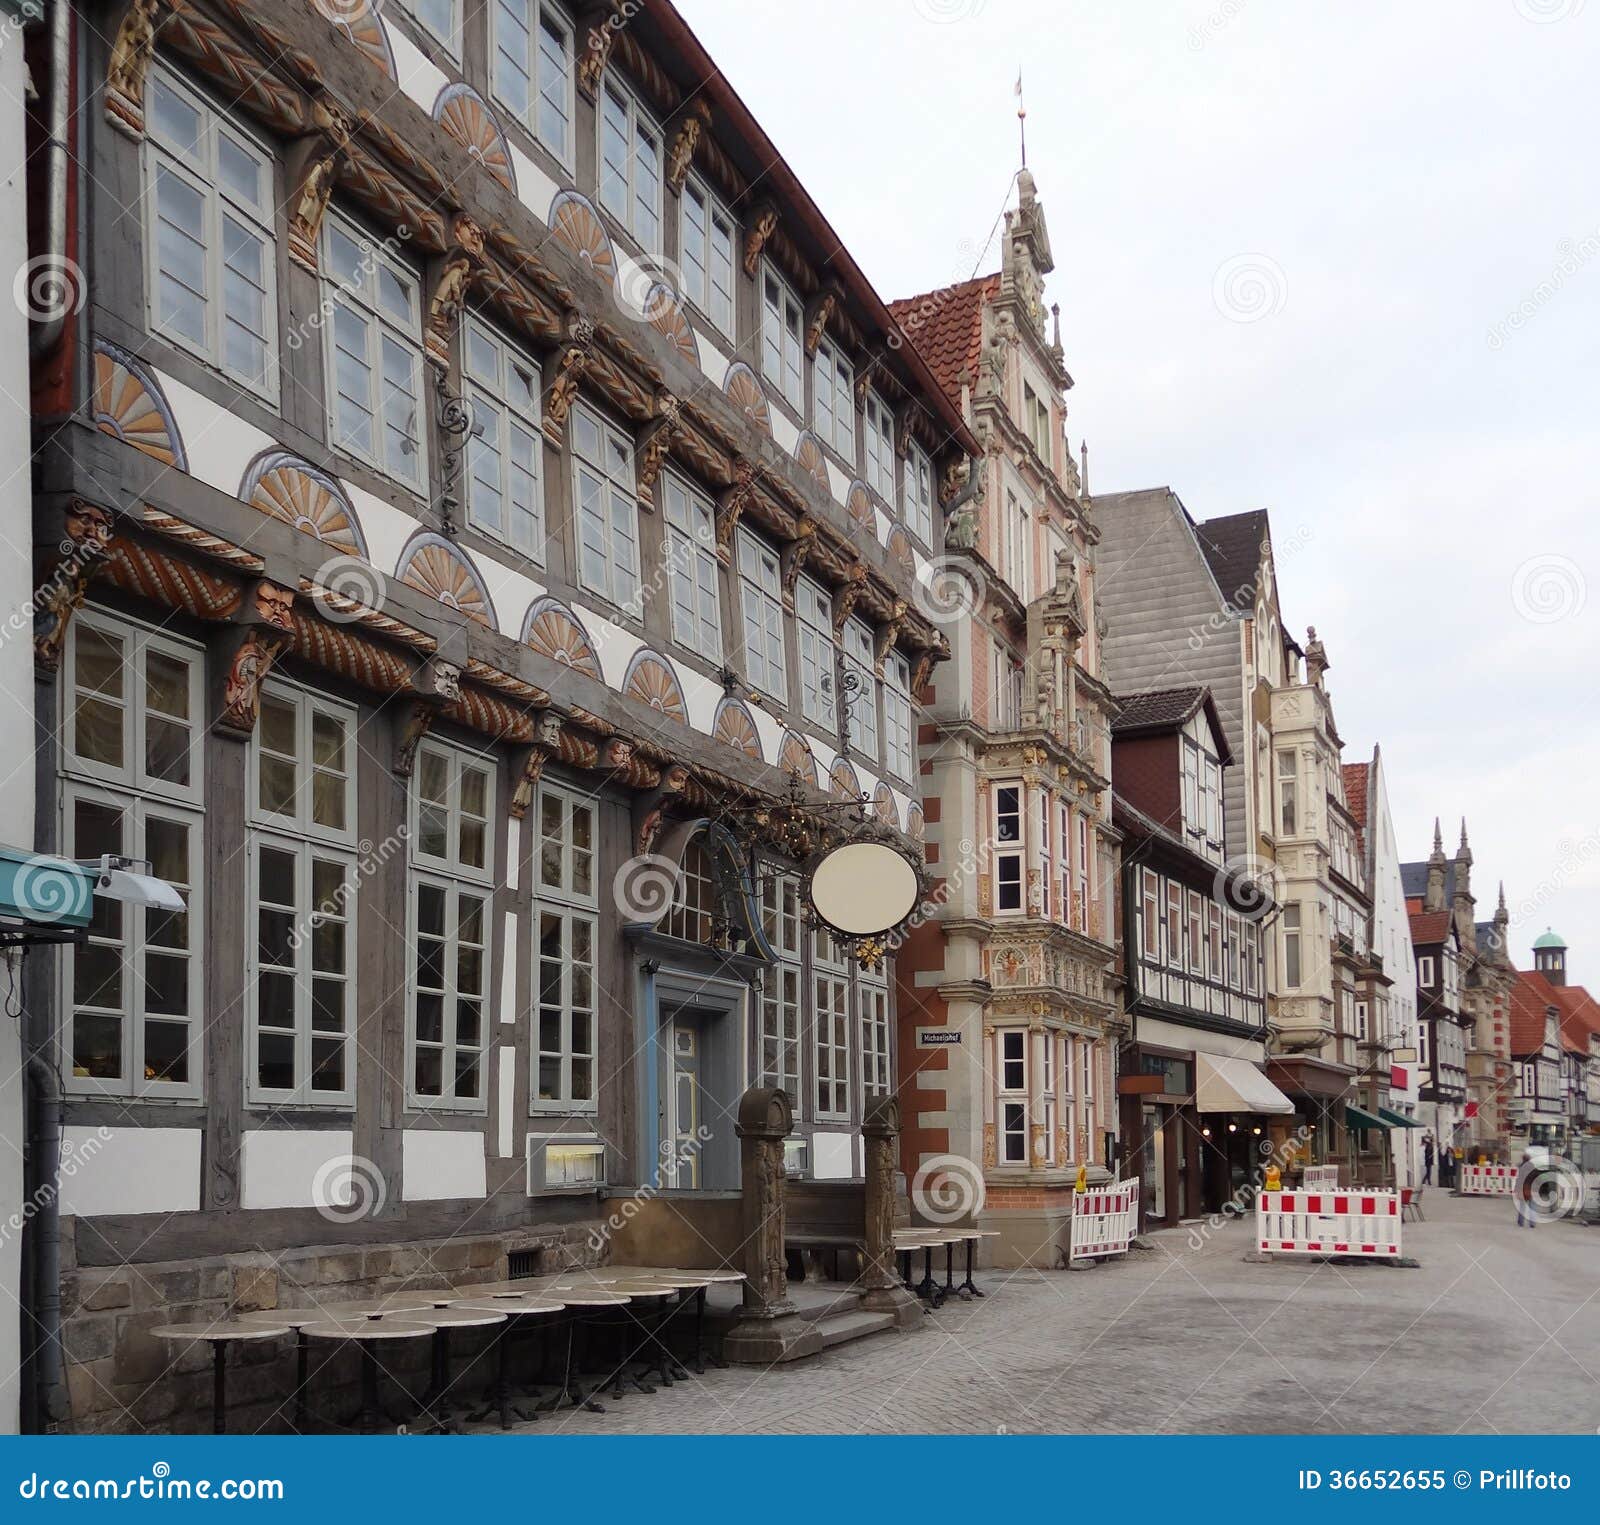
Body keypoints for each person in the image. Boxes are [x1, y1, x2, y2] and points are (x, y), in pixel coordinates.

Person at [1515, 1146, 1538, 1229]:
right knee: (1532, 1207)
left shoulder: (1521, 1167)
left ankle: (1521, 1222)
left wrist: (1516, 1189)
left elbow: (1519, 1179)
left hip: (1523, 1188)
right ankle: (1532, 1223)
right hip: (1531, 1188)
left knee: (1522, 1206)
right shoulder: (1533, 1167)